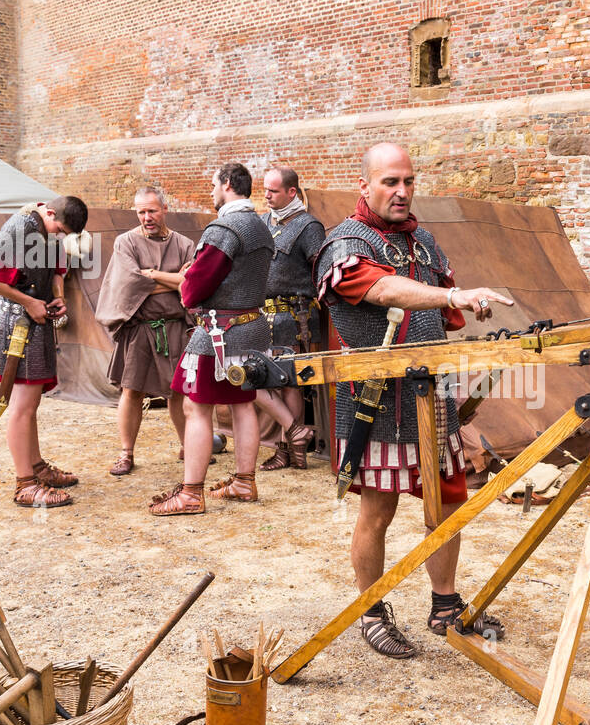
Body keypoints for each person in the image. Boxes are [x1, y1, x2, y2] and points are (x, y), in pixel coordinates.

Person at [316, 142, 514, 658]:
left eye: (407, 181)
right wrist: (454, 295)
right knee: (376, 513)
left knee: (446, 508)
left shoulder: (423, 242)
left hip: (433, 401)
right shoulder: (343, 244)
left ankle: (444, 605)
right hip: (375, 405)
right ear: (365, 185)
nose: (401, 191)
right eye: (389, 182)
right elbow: (381, 291)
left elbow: (437, 313)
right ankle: (371, 608)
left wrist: (466, 305)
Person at [150, 163, 274, 516]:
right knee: (243, 404)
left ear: (226, 185)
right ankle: (245, 482)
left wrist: (187, 285)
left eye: (213, 186)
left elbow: (196, 286)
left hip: (220, 332)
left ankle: (190, 494)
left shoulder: (224, 228)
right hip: (252, 327)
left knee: (196, 407)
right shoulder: (262, 228)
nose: (210, 193)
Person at [0, 197, 88, 508]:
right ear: (49, 212)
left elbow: (57, 269)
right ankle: (25, 483)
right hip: (17, 322)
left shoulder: (48, 229)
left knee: (31, 403)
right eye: (59, 229)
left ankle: (36, 468)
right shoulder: (19, 227)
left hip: (35, 318)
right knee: (22, 405)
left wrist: (59, 296)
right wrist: (29, 303)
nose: (60, 236)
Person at [95, 187, 194, 476]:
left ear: (165, 208)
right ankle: (126, 453)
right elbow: (128, 285)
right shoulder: (126, 243)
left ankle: (189, 446)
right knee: (132, 390)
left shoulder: (184, 244)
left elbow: (192, 283)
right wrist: (175, 280)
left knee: (179, 392)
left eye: (152, 210)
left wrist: (151, 276)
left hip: (176, 327)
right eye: (141, 212)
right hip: (139, 329)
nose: (146, 217)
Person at [254, 165, 324, 470]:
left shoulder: (309, 227)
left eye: (273, 190)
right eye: (265, 190)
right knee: (269, 382)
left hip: (295, 318)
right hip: (264, 316)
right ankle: (291, 441)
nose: (266, 195)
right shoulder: (261, 222)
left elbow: (322, 271)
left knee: (290, 382)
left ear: (291, 192)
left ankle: (289, 448)